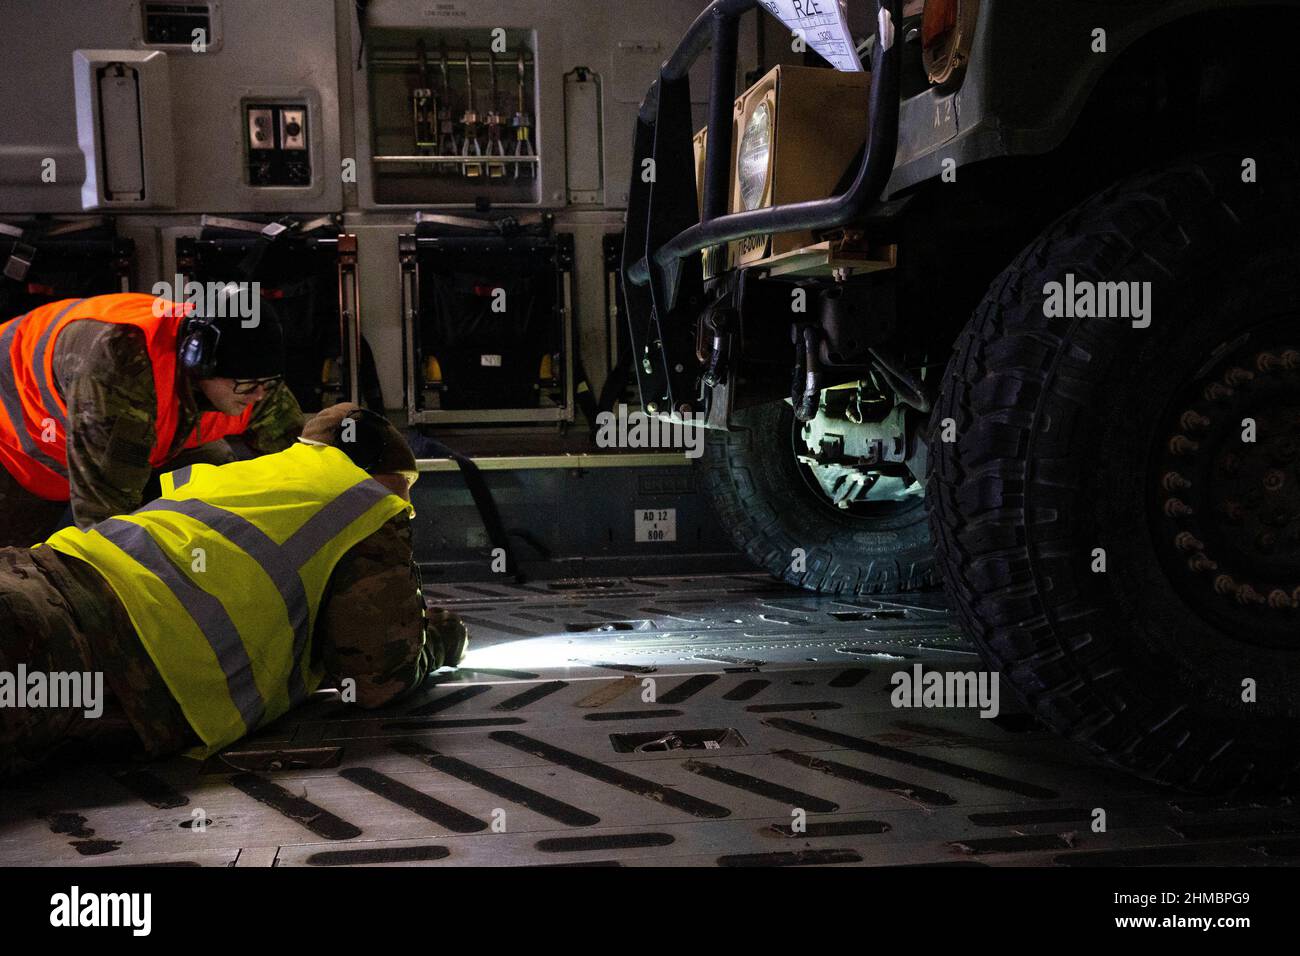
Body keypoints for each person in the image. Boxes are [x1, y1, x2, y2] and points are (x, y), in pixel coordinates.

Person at [0, 403, 466, 778]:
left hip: (37, 571)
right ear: (381, 475)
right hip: (92, 648)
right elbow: (377, 680)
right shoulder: (367, 504)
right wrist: (438, 640)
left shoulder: (236, 474)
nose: (408, 504)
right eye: (407, 486)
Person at [0, 290, 305, 547]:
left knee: (218, 481)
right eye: (247, 386)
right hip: (13, 437)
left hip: (116, 431)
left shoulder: (253, 377)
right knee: (18, 579)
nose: (259, 396)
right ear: (197, 362)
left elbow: (304, 468)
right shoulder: (121, 369)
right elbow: (105, 525)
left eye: (267, 383)